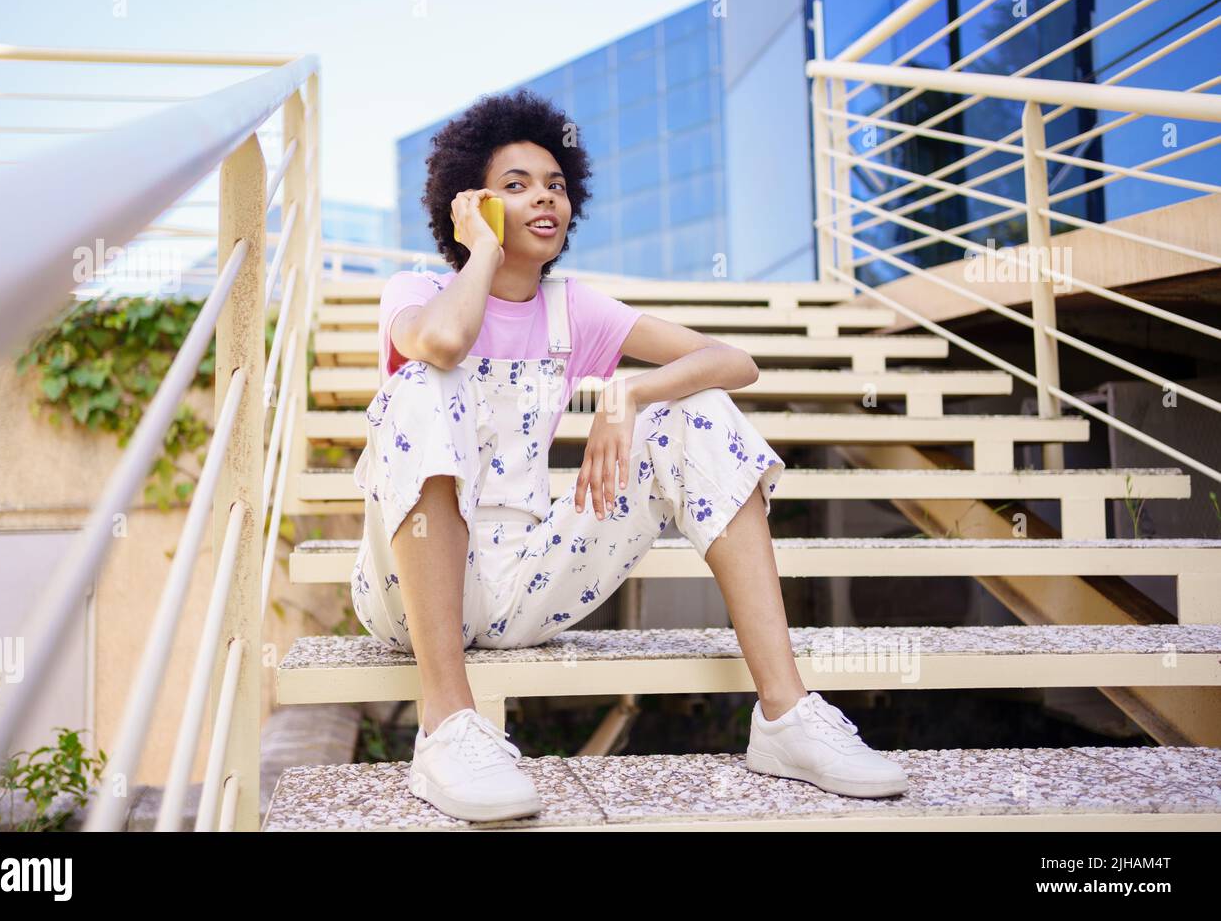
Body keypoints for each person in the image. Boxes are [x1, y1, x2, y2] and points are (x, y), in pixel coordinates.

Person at [350, 88, 908, 823]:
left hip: (524, 583)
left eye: (554, 184)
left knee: (697, 407)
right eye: (515, 187)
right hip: (407, 594)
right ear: (471, 204)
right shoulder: (417, 292)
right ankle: (447, 725)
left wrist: (628, 397)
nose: (543, 199)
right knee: (424, 382)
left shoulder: (572, 310)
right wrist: (481, 251)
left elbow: (733, 360)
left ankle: (786, 715)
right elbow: (446, 343)